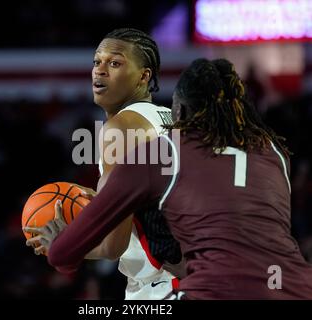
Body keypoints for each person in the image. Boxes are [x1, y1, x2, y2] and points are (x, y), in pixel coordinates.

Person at [25, 58, 312, 299]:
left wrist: (57, 245)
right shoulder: (275, 153)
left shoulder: (163, 152)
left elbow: (65, 254)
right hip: (297, 287)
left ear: (182, 111)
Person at [25, 28, 182, 299]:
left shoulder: (121, 127)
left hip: (161, 284)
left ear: (144, 76)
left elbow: (112, 247)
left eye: (115, 63)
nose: (100, 70)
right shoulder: (172, 118)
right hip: (193, 277)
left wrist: (64, 244)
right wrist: (101, 200)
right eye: (97, 62)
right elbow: (156, 202)